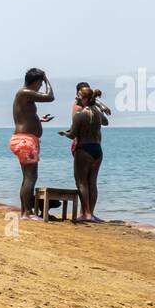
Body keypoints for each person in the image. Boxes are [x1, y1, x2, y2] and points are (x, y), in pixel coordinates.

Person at [9, 68, 56, 219]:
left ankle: (25, 212)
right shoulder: (24, 92)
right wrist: (47, 79)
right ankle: (28, 213)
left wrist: (39, 120)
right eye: (41, 83)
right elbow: (50, 97)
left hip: (24, 139)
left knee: (27, 177)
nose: (41, 86)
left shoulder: (23, 95)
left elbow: (24, 115)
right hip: (26, 140)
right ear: (35, 82)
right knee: (31, 177)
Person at [62, 83, 110, 222]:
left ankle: (86, 214)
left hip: (83, 149)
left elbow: (73, 134)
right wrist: (98, 107)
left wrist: (64, 133)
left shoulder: (79, 113)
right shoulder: (96, 111)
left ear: (83, 98)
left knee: (81, 182)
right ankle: (91, 214)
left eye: (78, 96)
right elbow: (105, 122)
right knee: (92, 182)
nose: (76, 97)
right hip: (97, 149)